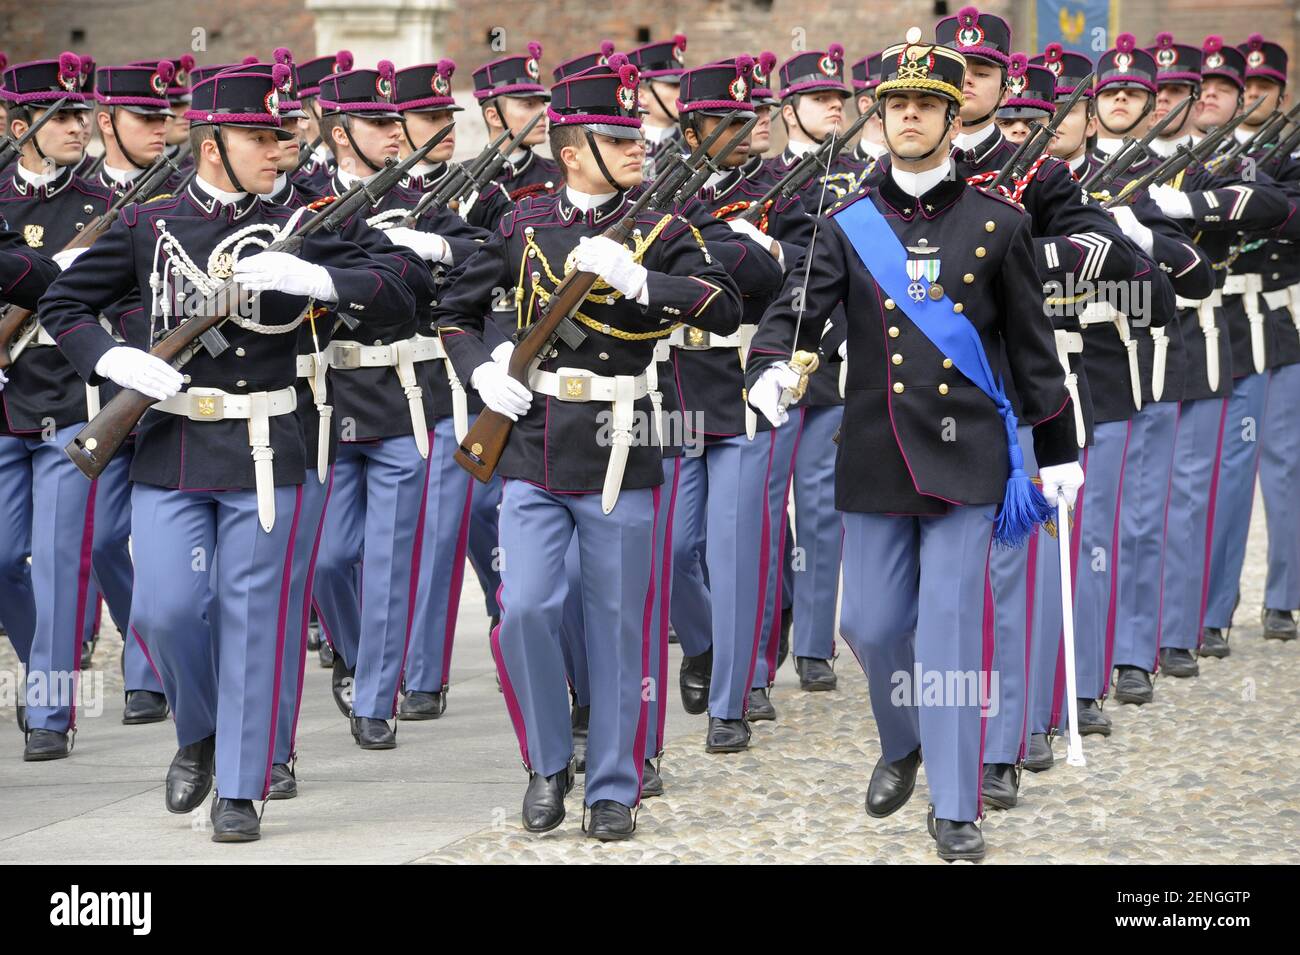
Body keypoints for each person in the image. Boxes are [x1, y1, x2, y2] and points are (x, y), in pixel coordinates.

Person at [38, 65, 416, 840]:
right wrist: (109, 360)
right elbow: (62, 300)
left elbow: (404, 286)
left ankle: (241, 786)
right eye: (257, 137)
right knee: (165, 609)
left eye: (280, 135)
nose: (276, 150)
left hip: (268, 449)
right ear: (212, 145)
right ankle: (200, 732)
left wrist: (320, 276)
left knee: (257, 620)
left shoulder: (311, 217)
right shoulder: (151, 222)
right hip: (173, 446)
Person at [745, 27, 1082, 862]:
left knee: (949, 626)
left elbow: (1033, 351)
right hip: (877, 452)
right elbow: (800, 311)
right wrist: (770, 367)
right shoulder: (849, 223)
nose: (907, 118)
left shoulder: (999, 223)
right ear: (881, 117)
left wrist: (1058, 451)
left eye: (924, 106)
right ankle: (903, 740)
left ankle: (957, 802)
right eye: (894, 105)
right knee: (867, 620)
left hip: (972, 459)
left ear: (947, 115)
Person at [433, 55, 742, 840]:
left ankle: (614, 783)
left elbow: (726, 298)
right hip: (532, 443)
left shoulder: (664, 229)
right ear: (572, 151)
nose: (638, 146)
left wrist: (645, 284)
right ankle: (545, 760)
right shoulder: (521, 224)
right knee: (525, 608)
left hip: (622, 446)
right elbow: (457, 312)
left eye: (636, 133)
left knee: (616, 624)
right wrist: (483, 371)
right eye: (615, 137)